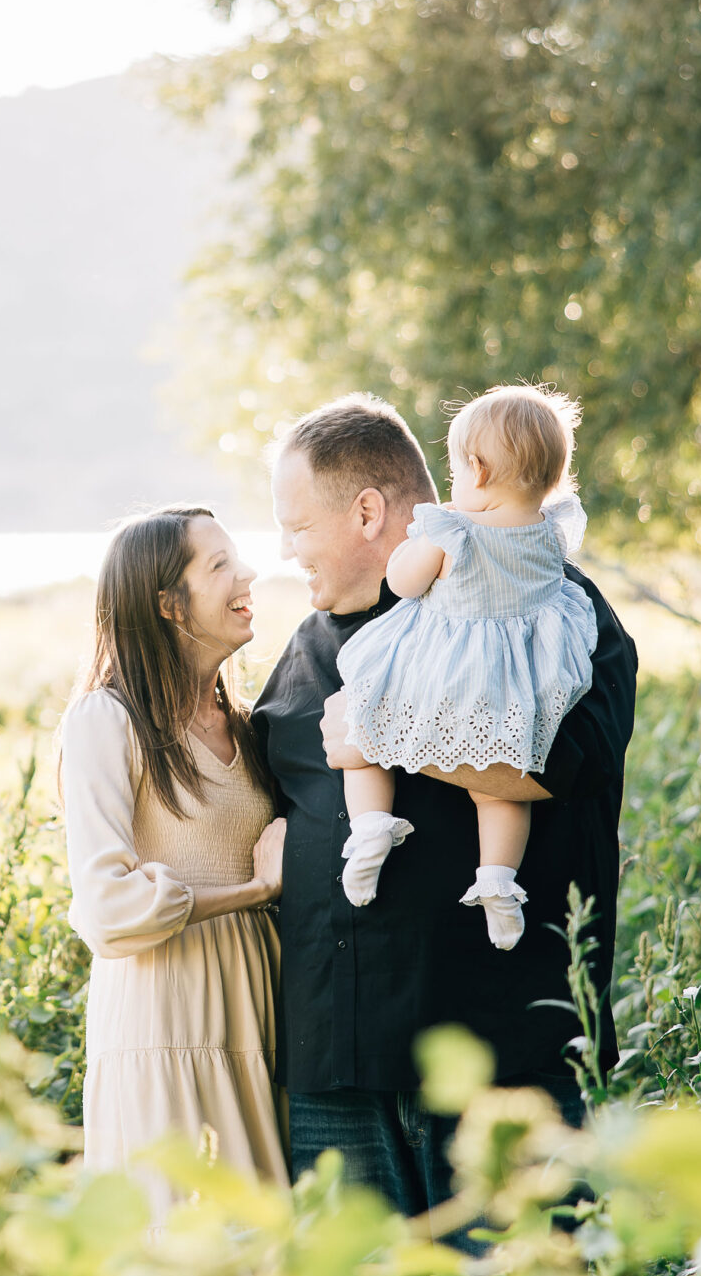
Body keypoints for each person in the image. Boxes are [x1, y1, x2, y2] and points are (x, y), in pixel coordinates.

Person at [252, 395, 637, 1229]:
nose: (285, 552)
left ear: (365, 512)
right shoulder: (309, 643)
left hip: (500, 1071)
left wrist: (387, 736)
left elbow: (565, 767)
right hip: (336, 1068)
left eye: (296, 526)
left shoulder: (546, 610)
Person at [60, 505, 288, 1222]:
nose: (247, 573)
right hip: (163, 1023)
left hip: (255, 1013)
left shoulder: (251, 726)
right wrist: (252, 890)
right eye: (219, 564)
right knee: (186, 1246)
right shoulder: (106, 721)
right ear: (167, 604)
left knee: (269, 1249)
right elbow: (106, 910)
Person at [335, 385, 598, 959]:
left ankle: (371, 825)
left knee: (365, 725)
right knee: (500, 790)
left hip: (441, 669)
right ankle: (499, 879)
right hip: (511, 683)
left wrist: (426, 534)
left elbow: (403, 582)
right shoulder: (550, 530)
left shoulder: (452, 530)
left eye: (454, 470)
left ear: (476, 470)